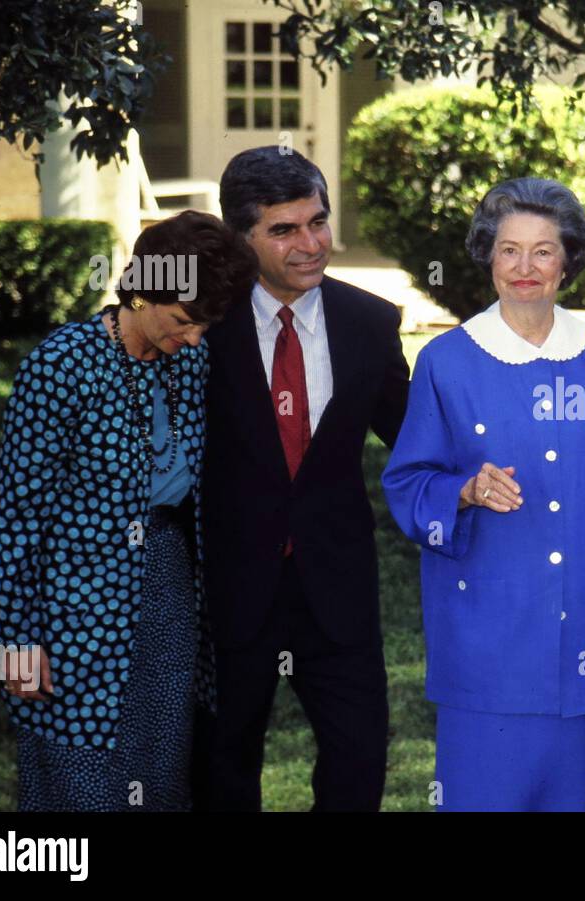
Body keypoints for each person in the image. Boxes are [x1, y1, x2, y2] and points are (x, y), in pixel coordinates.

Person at [382, 177, 585, 811]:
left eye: (543, 250)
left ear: (569, 260)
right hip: (488, 640)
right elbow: (407, 483)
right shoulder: (445, 361)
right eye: (509, 249)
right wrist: (465, 490)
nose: (525, 267)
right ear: (488, 256)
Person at [0, 211, 257, 811]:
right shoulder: (60, 366)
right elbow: (15, 518)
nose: (194, 338)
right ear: (140, 290)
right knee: (79, 775)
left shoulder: (190, 360)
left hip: (166, 581)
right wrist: (16, 640)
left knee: (158, 774)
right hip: (72, 597)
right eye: (184, 321)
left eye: (205, 326)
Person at [199, 147, 410, 811]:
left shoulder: (371, 323)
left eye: (318, 221)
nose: (311, 243)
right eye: (284, 229)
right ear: (242, 236)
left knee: (358, 762)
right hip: (230, 587)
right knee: (222, 768)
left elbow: (415, 437)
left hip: (336, 583)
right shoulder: (202, 327)